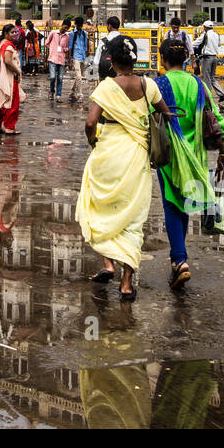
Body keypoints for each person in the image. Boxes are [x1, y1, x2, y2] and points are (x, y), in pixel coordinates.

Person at [77, 35, 165, 302]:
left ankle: (107, 264)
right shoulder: (148, 85)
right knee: (132, 216)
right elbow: (164, 113)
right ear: (134, 59)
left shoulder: (106, 87)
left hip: (109, 152)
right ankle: (126, 283)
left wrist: (94, 142)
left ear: (111, 61)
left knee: (103, 208)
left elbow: (91, 123)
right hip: (136, 155)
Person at [153, 39, 224, 290]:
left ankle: (179, 260)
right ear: (186, 60)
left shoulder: (158, 84)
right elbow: (216, 119)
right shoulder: (198, 84)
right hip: (196, 154)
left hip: (169, 153)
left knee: (172, 205)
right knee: (183, 204)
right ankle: (180, 256)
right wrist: (223, 152)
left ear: (162, 59)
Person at [0, 24, 25, 134]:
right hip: (8, 77)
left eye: (15, 32)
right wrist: (18, 71)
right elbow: (7, 61)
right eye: (12, 32)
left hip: (0, 76)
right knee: (10, 102)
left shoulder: (1, 43)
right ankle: (9, 127)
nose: (14, 34)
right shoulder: (8, 45)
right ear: (6, 34)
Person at [193, 19, 223, 102]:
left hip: (207, 58)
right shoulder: (217, 34)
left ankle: (208, 97)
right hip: (215, 58)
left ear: (205, 27)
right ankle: (221, 93)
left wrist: (188, 45)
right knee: (212, 77)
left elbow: (196, 43)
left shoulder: (205, 35)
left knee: (206, 78)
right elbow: (219, 45)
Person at [67, 16, 91, 103]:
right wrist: (69, 59)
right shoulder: (72, 33)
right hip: (75, 57)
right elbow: (70, 47)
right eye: (79, 25)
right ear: (76, 24)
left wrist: (87, 54)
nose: (80, 26)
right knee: (79, 76)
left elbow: (85, 45)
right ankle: (80, 95)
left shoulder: (84, 33)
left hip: (82, 57)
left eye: (81, 25)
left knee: (79, 77)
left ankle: (72, 92)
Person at [92, 16, 122, 80]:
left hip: (104, 75)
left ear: (110, 26)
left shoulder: (103, 41)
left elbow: (96, 60)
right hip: (119, 75)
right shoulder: (123, 41)